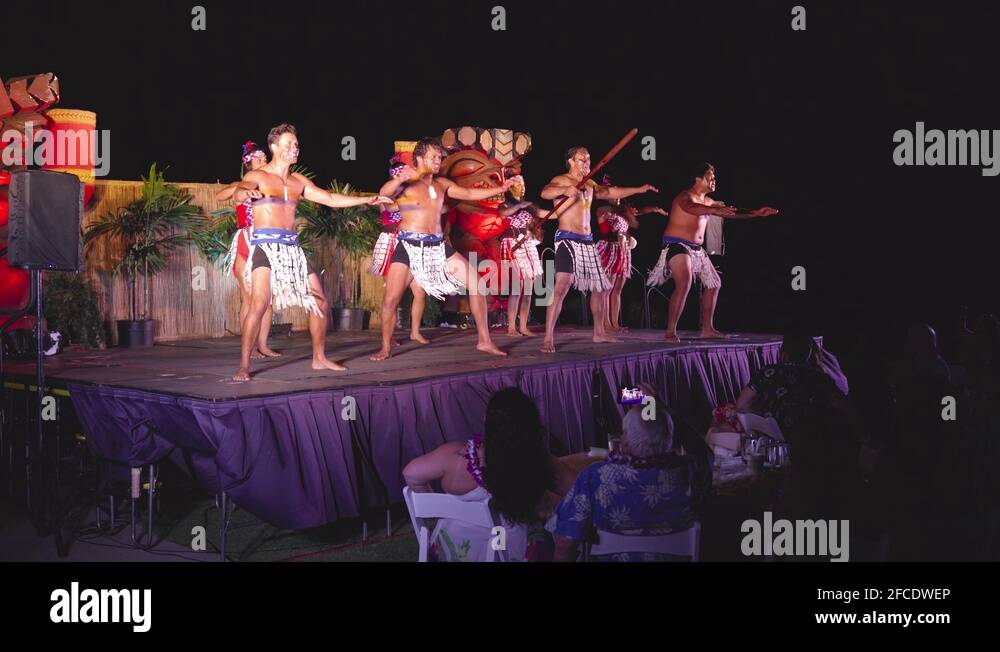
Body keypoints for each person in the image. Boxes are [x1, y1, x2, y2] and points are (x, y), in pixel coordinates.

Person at [230, 123, 391, 381]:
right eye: (288, 144)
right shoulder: (258, 177)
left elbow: (329, 198)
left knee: (319, 301)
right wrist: (243, 192)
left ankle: (319, 358)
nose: (295, 149)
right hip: (265, 247)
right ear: (273, 146)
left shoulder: (298, 181)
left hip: (292, 249)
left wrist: (366, 200)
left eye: (296, 144)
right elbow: (238, 192)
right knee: (259, 303)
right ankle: (244, 365)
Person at [371, 138, 512, 361]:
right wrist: (398, 179)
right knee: (391, 299)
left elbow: (468, 195)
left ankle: (484, 341)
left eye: (439, 157)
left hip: (436, 246)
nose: (438, 160)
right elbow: (385, 193)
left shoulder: (442, 184)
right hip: (408, 245)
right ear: (419, 158)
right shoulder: (406, 183)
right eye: (433, 157)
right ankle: (386, 347)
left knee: (477, 283)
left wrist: (501, 188)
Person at [553, 383, 713, 561]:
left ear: (625, 442)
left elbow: (565, 544)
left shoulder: (595, 477)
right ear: (669, 439)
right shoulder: (691, 472)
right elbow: (704, 452)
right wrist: (664, 410)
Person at [403, 387, 556, 561]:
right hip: (508, 551)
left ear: (486, 421)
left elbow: (411, 473)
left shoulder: (456, 456)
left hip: (451, 552)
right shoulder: (533, 461)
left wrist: (434, 504)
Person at [539, 146, 658, 353]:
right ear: (571, 161)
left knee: (601, 288)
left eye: (588, 159)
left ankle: (599, 332)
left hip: (587, 240)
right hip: (567, 238)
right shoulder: (562, 180)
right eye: (581, 159)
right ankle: (548, 338)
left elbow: (612, 192)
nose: (586, 163)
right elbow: (545, 191)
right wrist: (563, 191)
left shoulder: (591, 183)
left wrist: (639, 189)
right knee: (562, 287)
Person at [647, 162, 778, 341]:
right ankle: (670, 331)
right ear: (698, 179)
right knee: (685, 283)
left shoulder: (709, 201)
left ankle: (707, 328)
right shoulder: (684, 197)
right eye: (710, 176)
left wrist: (756, 213)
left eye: (714, 177)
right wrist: (714, 209)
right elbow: (692, 209)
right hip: (676, 245)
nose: (714, 180)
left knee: (714, 283)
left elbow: (730, 212)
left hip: (697, 249)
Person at [215, 141, 280, 358]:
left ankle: (263, 345)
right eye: (257, 159)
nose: (262, 161)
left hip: (268, 241)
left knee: (267, 299)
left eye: (264, 158)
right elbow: (220, 196)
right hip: (246, 239)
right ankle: (249, 348)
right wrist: (241, 187)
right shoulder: (242, 184)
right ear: (248, 162)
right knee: (250, 298)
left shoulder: (269, 184)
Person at [368, 156, 429, 345]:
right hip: (391, 244)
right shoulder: (387, 198)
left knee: (420, 292)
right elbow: (395, 206)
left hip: (411, 242)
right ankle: (390, 336)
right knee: (392, 296)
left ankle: (415, 332)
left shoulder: (411, 194)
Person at [595, 200, 667, 332]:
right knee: (607, 290)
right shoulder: (606, 211)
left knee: (617, 289)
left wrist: (655, 209)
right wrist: (605, 221)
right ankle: (606, 324)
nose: (617, 198)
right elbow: (605, 231)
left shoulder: (624, 212)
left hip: (623, 251)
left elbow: (641, 210)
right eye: (614, 195)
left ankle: (615, 324)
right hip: (610, 249)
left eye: (619, 196)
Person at [498, 178, 549, 337]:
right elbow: (502, 214)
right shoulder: (505, 204)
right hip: (512, 245)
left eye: (523, 183)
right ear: (509, 187)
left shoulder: (530, 207)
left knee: (528, 289)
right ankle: (511, 328)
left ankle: (524, 326)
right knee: (516, 288)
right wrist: (518, 206)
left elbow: (545, 214)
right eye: (518, 184)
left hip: (528, 246)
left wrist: (565, 208)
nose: (522, 186)